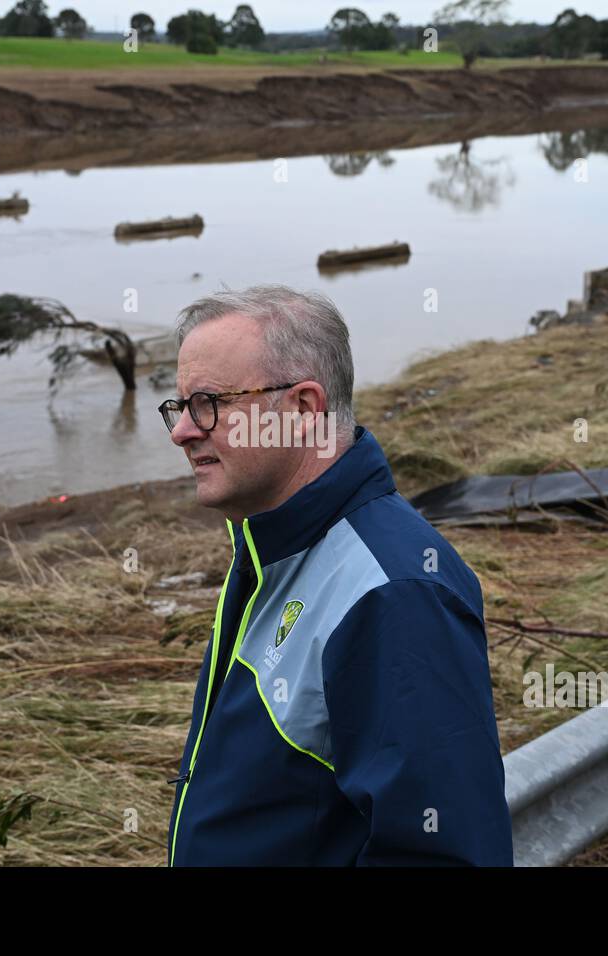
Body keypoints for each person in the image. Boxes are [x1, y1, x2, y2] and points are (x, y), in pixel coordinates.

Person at [158, 284, 514, 866]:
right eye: (179, 407)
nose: (182, 431)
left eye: (209, 404)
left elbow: (442, 855)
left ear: (302, 409)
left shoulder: (393, 591)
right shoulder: (275, 548)